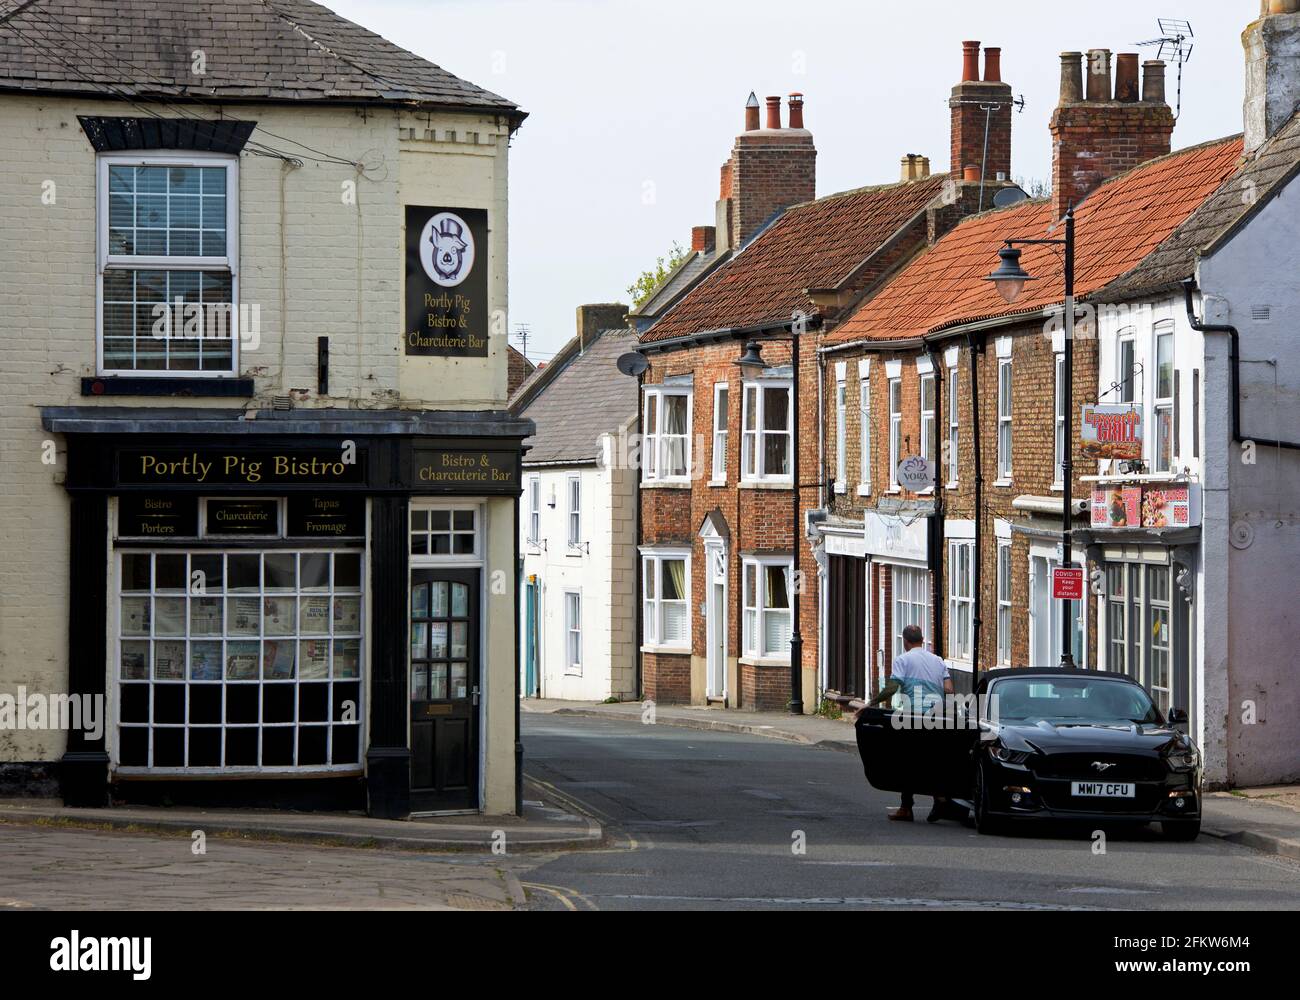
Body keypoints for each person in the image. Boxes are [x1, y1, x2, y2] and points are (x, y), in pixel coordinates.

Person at [864, 625, 954, 823]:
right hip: (937, 718)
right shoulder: (938, 660)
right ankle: (939, 799)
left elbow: (892, 688)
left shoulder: (903, 660)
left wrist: (871, 703)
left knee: (906, 761)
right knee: (933, 760)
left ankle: (906, 807)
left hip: (913, 717)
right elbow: (949, 688)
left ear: (905, 641)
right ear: (922, 640)